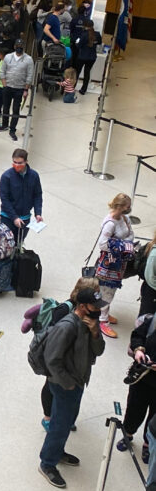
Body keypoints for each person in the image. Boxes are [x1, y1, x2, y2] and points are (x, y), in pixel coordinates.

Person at [37, 289, 105, 489]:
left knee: (67, 421)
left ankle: (57, 452)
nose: (98, 310)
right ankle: (47, 463)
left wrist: (95, 332)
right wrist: (68, 384)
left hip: (78, 381)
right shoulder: (66, 327)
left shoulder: (90, 324)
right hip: (64, 385)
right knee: (59, 424)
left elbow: (99, 350)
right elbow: (52, 360)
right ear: (82, 306)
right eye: (94, 307)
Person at [36, 277, 100, 432]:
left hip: (77, 365)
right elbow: (53, 345)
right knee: (50, 387)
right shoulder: (65, 311)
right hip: (60, 362)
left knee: (69, 398)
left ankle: (65, 419)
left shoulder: (91, 314)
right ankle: (48, 417)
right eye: (95, 292)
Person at [94, 192, 135, 339]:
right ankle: (102, 320)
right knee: (106, 291)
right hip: (109, 264)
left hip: (119, 263)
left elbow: (131, 235)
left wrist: (120, 244)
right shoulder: (110, 224)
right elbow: (103, 244)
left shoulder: (125, 218)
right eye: (127, 206)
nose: (129, 209)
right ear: (121, 206)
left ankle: (103, 313)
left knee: (111, 291)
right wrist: (122, 245)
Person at [116, 310, 156, 461]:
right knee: (134, 407)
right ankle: (128, 434)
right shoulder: (153, 321)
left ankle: (148, 443)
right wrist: (139, 350)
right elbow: (137, 335)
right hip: (141, 378)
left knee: (154, 417)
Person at [0, 148, 43, 246]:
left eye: (20, 163)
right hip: (8, 218)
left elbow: (37, 195)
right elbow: (4, 199)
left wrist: (38, 213)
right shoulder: (6, 176)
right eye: (14, 162)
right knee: (5, 246)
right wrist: (14, 217)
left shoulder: (34, 176)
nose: (17, 165)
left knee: (19, 245)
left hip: (25, 219)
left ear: (26, 161)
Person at [0, 38, 33, 141]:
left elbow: (30, 75)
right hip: (7, 87)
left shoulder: (28, 59)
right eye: (17, 46)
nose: (19, 48)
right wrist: (4, 85)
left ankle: (12, 130)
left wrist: (26, 89)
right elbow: (2, 71)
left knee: (16, 109)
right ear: (14, 47)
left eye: (21, 46)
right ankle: (5, 124)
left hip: (19, 89)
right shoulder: (8, 57)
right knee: (6, 107)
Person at [74, 20, 100, 95]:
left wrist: (76, 43)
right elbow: (99, 42)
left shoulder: (84, 35)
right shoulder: (97, 34)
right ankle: (83, 90)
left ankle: (72, 87)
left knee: (77, 72)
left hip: (82, 56)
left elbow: (79, 45)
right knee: (87, 73)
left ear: (85, 26)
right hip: (92, 57)